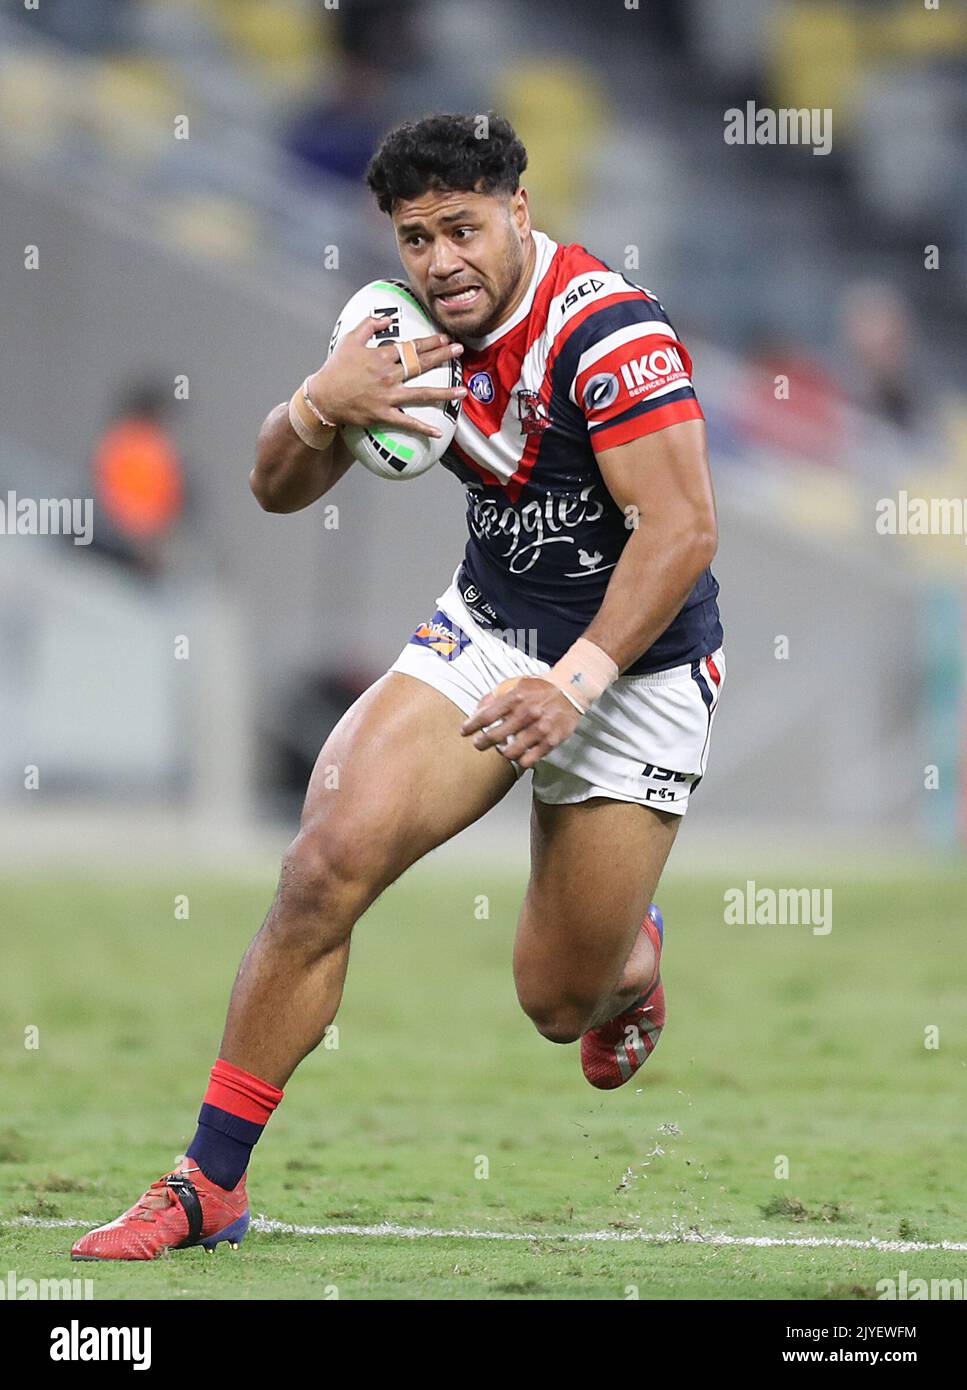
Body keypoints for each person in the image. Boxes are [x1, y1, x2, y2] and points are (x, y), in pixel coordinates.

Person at [71, 112, 725, 1262]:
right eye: (417, 237)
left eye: (465, 229)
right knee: (323, 862)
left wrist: (575, 683)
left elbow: (679, 532)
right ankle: (207, 1184)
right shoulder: (396, 329)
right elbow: (278, 486)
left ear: (520, 211)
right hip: (486, 632)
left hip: (635, 664)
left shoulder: (610, 333)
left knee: (557, 1001)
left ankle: (626, 955)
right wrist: (318, 405)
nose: (442, 262)